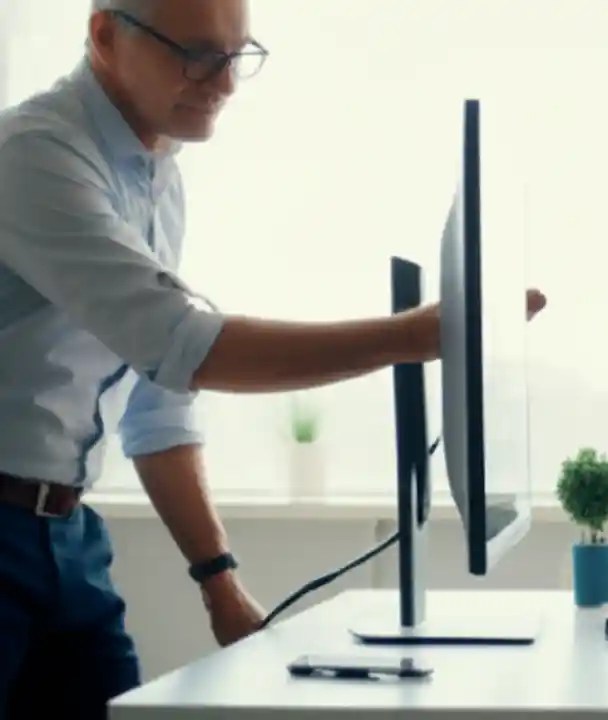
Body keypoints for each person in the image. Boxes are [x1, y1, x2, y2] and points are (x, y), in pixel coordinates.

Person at [0, 0, 546, 717]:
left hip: (66, 535)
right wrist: (416, 336)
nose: (224, 82)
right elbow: (190, 347)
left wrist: (218, 582)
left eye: (239, 54)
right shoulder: (34, 156)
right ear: (105, 35)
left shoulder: (156, 176)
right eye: (198, 54)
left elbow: (156, 409)